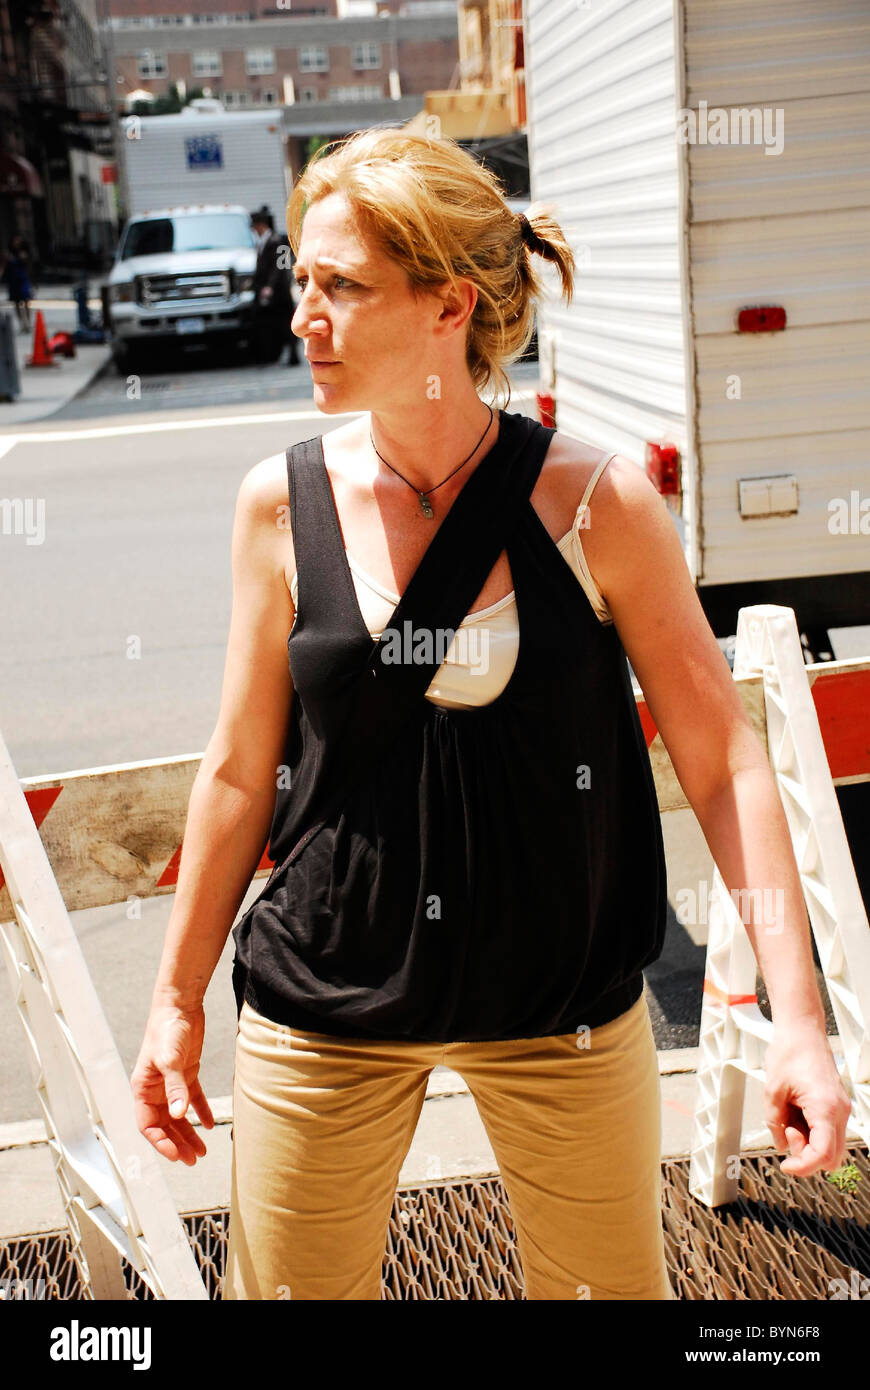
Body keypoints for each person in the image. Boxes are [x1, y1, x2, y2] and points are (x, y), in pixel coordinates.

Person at [132, 128, 852, 1302]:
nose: (305, 316)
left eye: (344, 287)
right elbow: (233, 772)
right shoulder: (279, 505)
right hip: (324, 1007)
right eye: (301, 283)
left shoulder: (599, 504)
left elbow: (725, 761)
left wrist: (800, 1020)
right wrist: (171, 1003)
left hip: (559, 1015)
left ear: (449, 304)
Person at [250, 205, 299, 365]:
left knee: (286, 324)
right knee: (270, 324)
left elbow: (282, 267)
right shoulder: (263, 243)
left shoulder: (280, 241)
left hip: (279, 292)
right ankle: (271, 354)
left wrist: (270, 286)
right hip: (267, 291)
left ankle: (293, 355)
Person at [2, 234, 34, 333]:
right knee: (16, 302)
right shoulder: (9, 254)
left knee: (26, 300)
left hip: (23, 279)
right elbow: (5, 267)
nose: (16, 242)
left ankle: (28, 322)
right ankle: (21, 323)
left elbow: (29, 265)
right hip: (13, 280)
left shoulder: (24, 252)